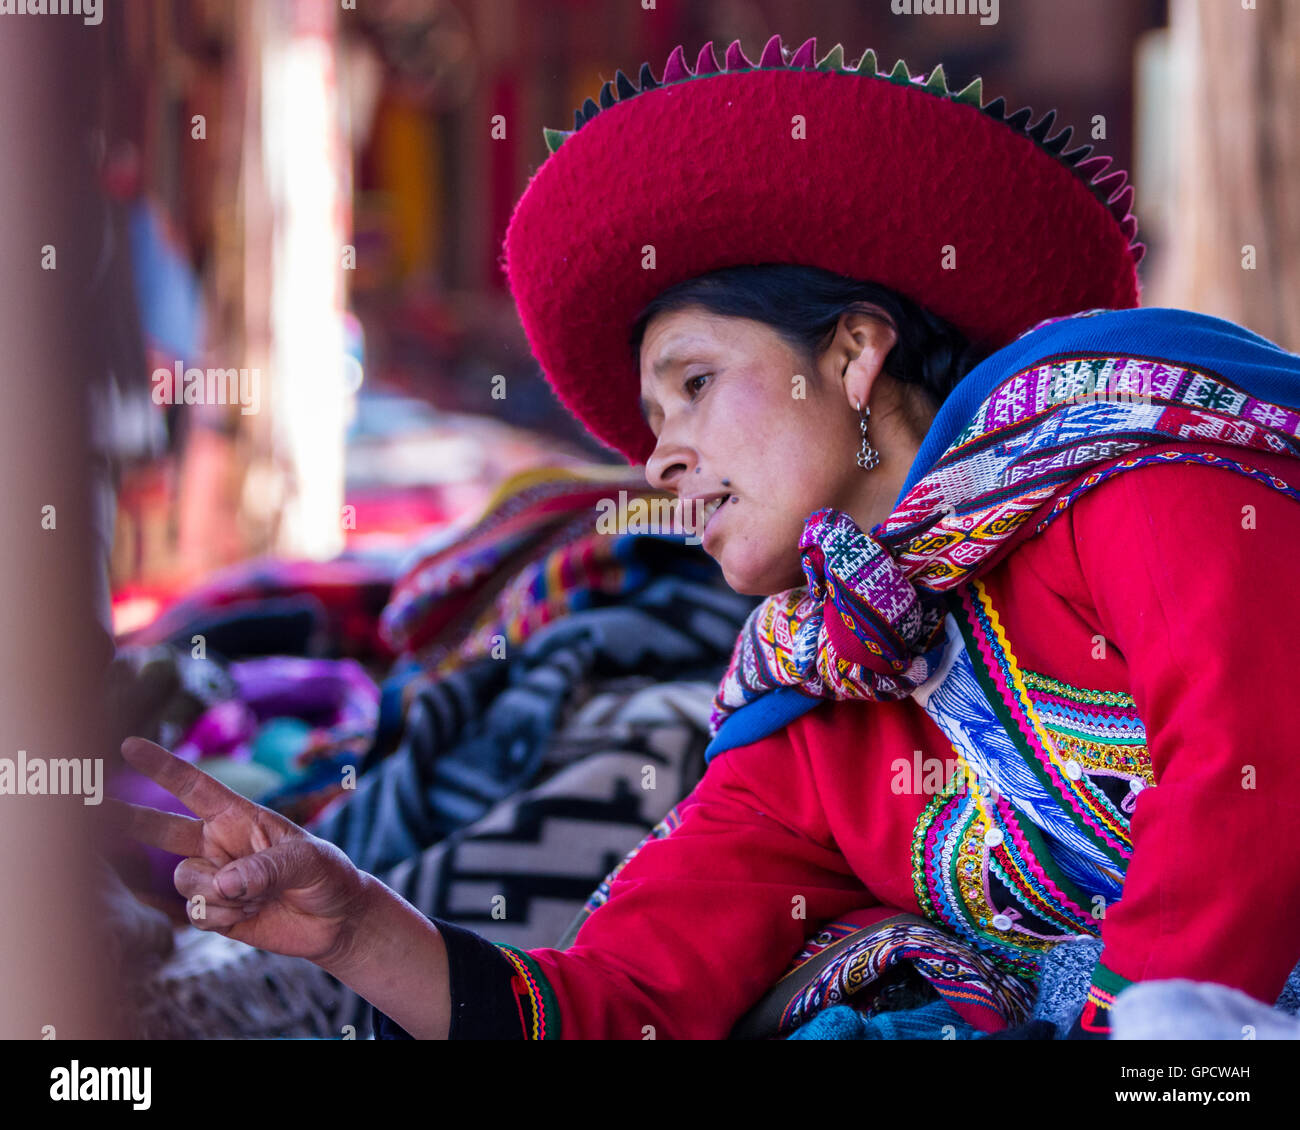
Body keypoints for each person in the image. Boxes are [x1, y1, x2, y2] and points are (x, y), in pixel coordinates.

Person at [110, 35, 1300, 1041]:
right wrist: (360, 925)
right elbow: (625, 1001)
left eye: (692, 383)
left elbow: (1258, 759)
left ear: (852, 354)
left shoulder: (1137, 479)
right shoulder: (815, 716)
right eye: (648, 420)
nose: (660, 456)